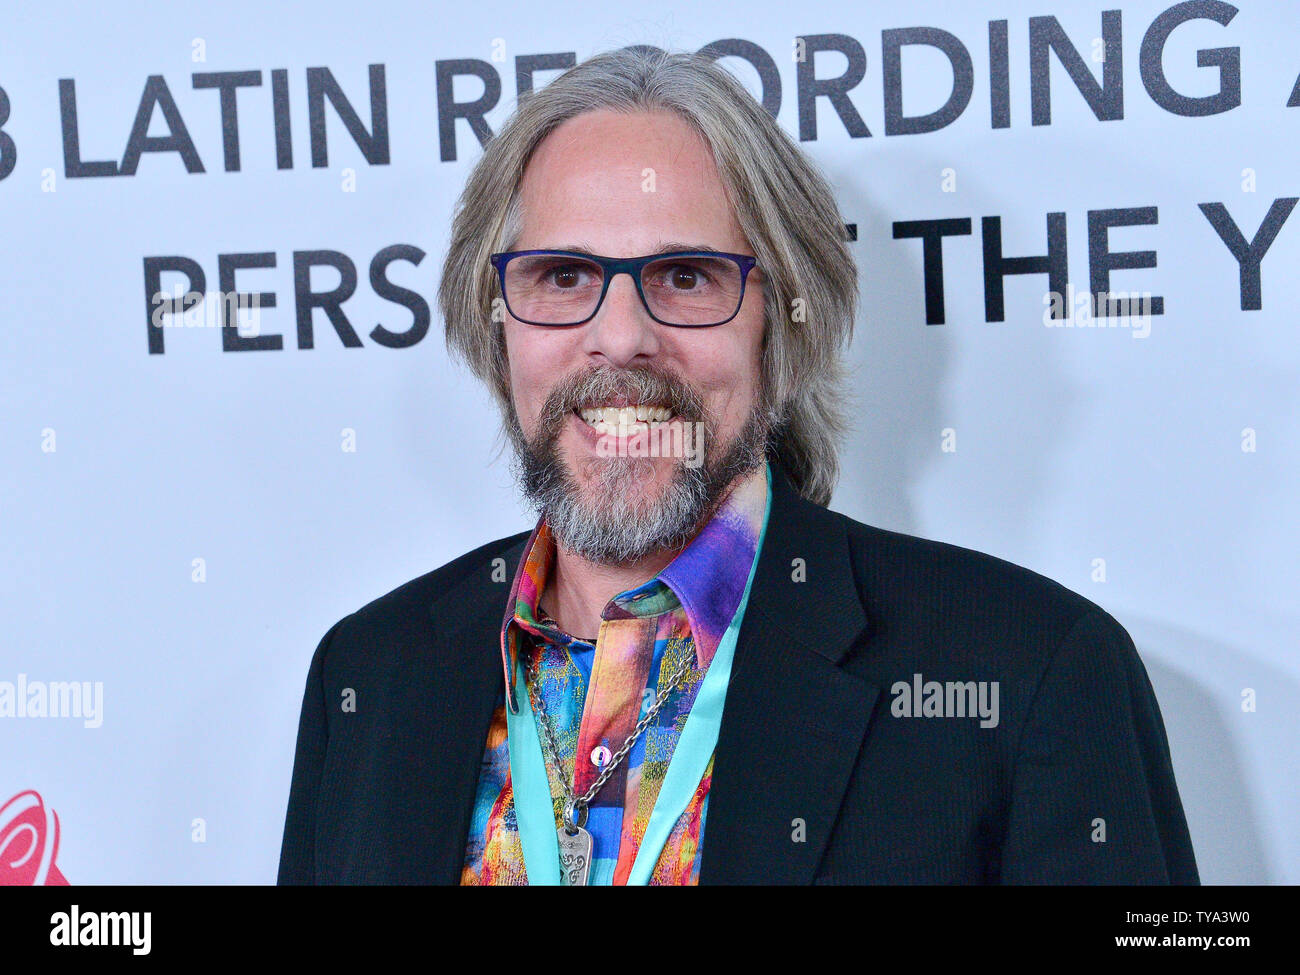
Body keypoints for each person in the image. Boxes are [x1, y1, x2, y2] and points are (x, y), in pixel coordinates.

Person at [276, 46, 1199, 885]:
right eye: (562, 276)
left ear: (784, 320)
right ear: (498, 321)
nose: (621, 339)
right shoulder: (371, 675)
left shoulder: (1032, 673)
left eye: (686, 276)